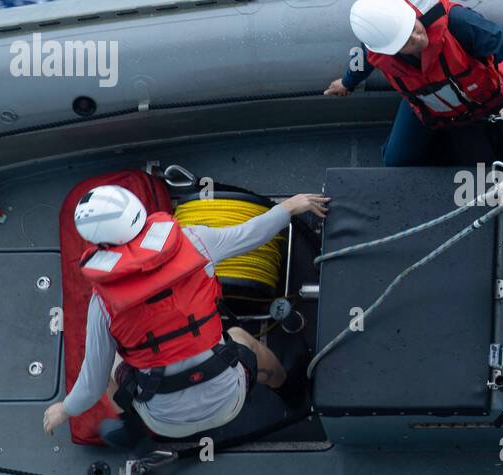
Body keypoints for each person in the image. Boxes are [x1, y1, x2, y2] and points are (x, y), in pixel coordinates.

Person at [43, 184, 330, 449]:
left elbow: (91, 388)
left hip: (164, 422)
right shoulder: (196, 241)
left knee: (109, 367)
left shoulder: (102, 304)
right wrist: (290, 207)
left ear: (98, 242)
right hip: (229, 399)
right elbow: (250, 234)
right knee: (243, 339)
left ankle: (131, 425)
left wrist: (64, 409)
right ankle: (292, 391)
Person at [326, 0, 503, 167]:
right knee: (396, 161)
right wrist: (347, 83)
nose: (417, 37)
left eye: (413, 27)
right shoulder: (378, 45)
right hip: (432, 107)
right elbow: (365, 61)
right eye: (406, 40)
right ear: (390, 51)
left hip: (496, 98)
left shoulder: (457, 23)